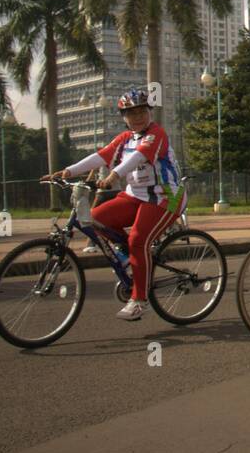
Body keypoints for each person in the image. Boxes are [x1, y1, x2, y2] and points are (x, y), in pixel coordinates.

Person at [43, 87, 185, 321]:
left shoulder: (155, 134)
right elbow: (101, 156)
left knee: (139, 240)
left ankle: (140, 300)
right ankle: (129, 257)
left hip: (165, 197)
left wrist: (112, 177)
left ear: (149, 113)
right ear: (124, 118)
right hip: (135, 196)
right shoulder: (124, 139)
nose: (137, 117)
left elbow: (139, 156)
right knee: (91, 218)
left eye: (142, 112)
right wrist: (68, 171)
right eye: (131, 113)